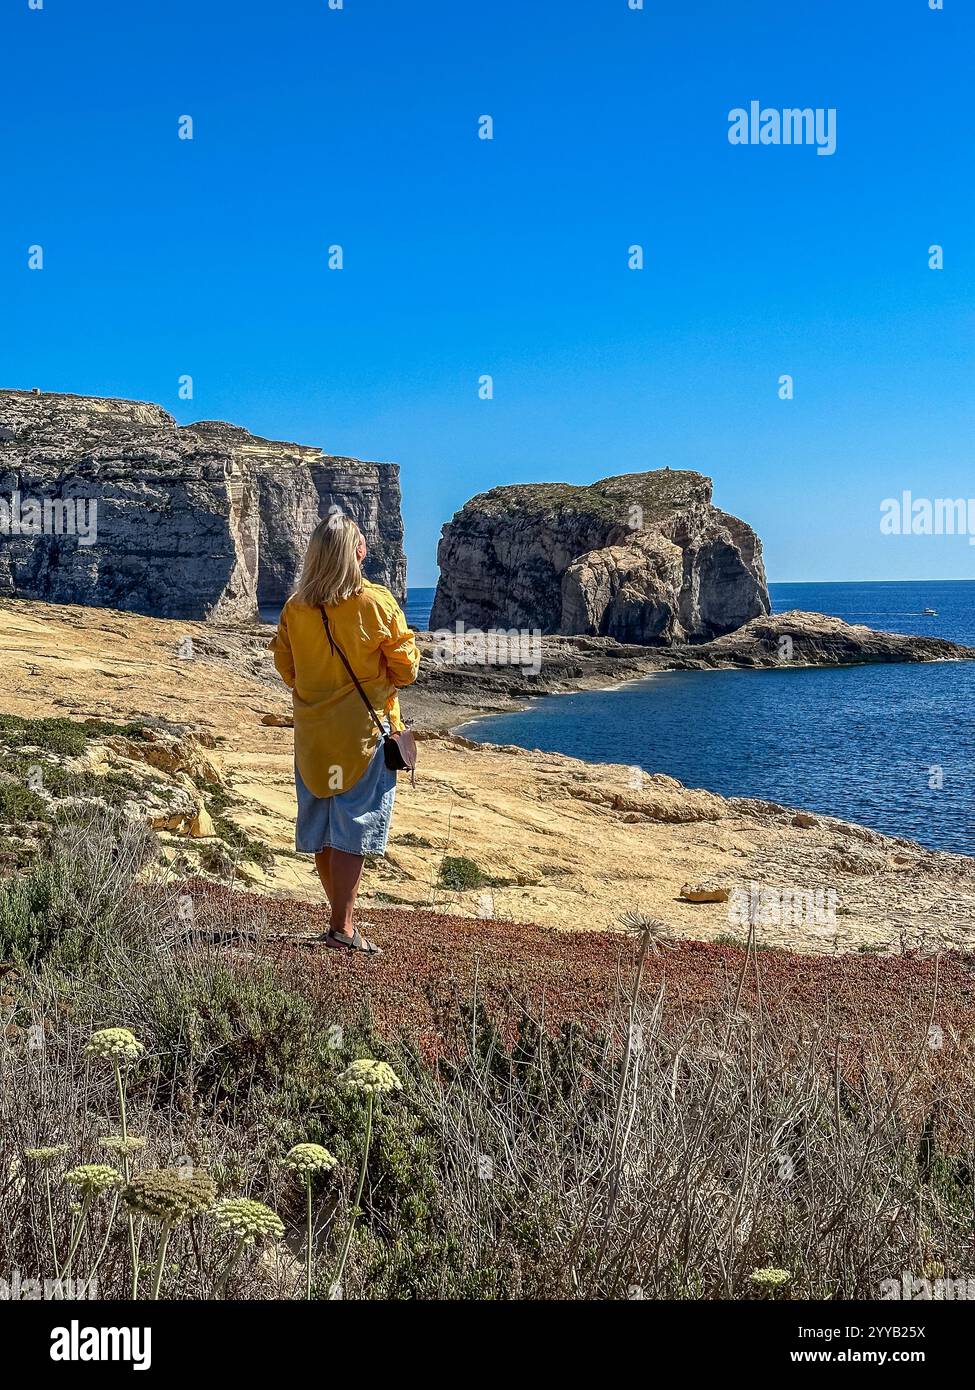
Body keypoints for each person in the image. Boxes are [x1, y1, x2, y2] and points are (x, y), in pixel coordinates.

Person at [269, 514, 419, 953]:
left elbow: (286, 667)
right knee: (352, 827)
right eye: (361, 542)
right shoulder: (375, 602)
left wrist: (315, 690)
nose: (366, 546)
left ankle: (340, 921)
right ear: (355, 552)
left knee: (323, 828)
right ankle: (342, 929)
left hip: (314, 736)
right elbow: (407, 669)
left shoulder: (296, 607)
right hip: (362, 735)